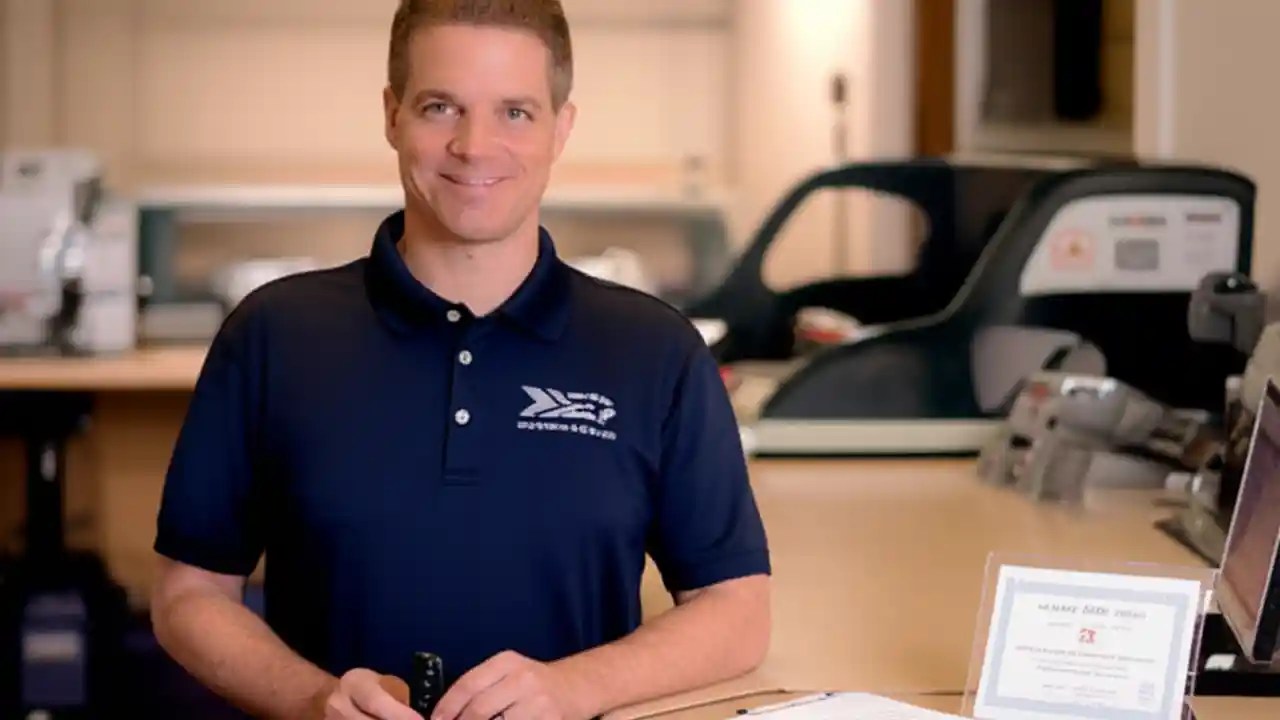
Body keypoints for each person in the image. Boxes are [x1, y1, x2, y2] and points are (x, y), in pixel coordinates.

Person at [148, 1, 772, 718]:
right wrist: (312, 699)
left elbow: (736, 608)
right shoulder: (273, 333)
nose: (475, 147)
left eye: (515, 112)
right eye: (441, 106)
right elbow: (188, 594)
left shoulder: (655, 351)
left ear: (561, 128)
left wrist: (575, 688)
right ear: (392, 115)